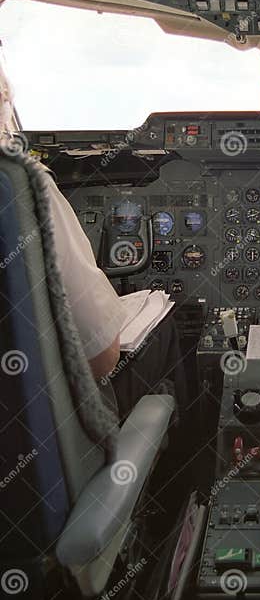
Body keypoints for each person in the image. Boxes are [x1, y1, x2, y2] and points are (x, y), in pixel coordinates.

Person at [45, 168, 187, 421]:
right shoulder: (29, 185)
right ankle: (183, 444)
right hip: (66, 409)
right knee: (163, 328)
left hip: (21, 406)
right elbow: (102, 361)